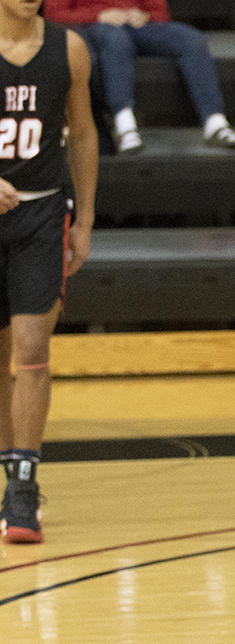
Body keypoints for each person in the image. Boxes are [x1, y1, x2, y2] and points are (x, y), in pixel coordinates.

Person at [0, 0, 97, 543]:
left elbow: (82, 134)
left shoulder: (70, 48)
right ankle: (10, 473)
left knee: (32, 349)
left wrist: (83, 219)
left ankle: (23, 488)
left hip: (41, 213)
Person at [46, 1, 235, 154]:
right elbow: (54, 15)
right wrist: (99, 15)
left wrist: (143, 15)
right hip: (93, 29)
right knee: (116, 39)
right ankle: (125, 127)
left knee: (192, 39)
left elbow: (160, 12)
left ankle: (215, 123)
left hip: (138, 27)